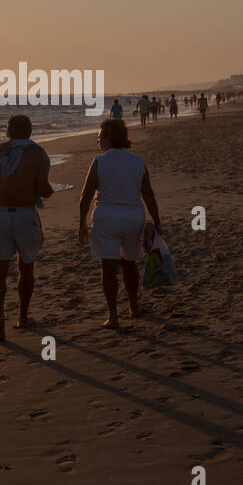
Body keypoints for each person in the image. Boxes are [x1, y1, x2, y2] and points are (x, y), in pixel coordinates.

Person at [78, 119, 162, 329]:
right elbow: (148, 194)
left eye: (100, 137)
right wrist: (157, 221)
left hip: (106, 219)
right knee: (129, 263)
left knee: (108, 268)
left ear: (108, 138)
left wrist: (81, 223)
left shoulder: (100, 161)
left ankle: (113, 315)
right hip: (133, 218)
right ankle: (133, 305)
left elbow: (86, 195)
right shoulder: (137, 161)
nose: (98, 141)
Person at [0, 114, 53, 342]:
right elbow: (43, 189)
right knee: (26, 267)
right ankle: (22, 316)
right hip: (25, 215)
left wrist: (4, 189)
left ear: (7, 131)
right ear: (29, 132)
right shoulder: (38, 153)